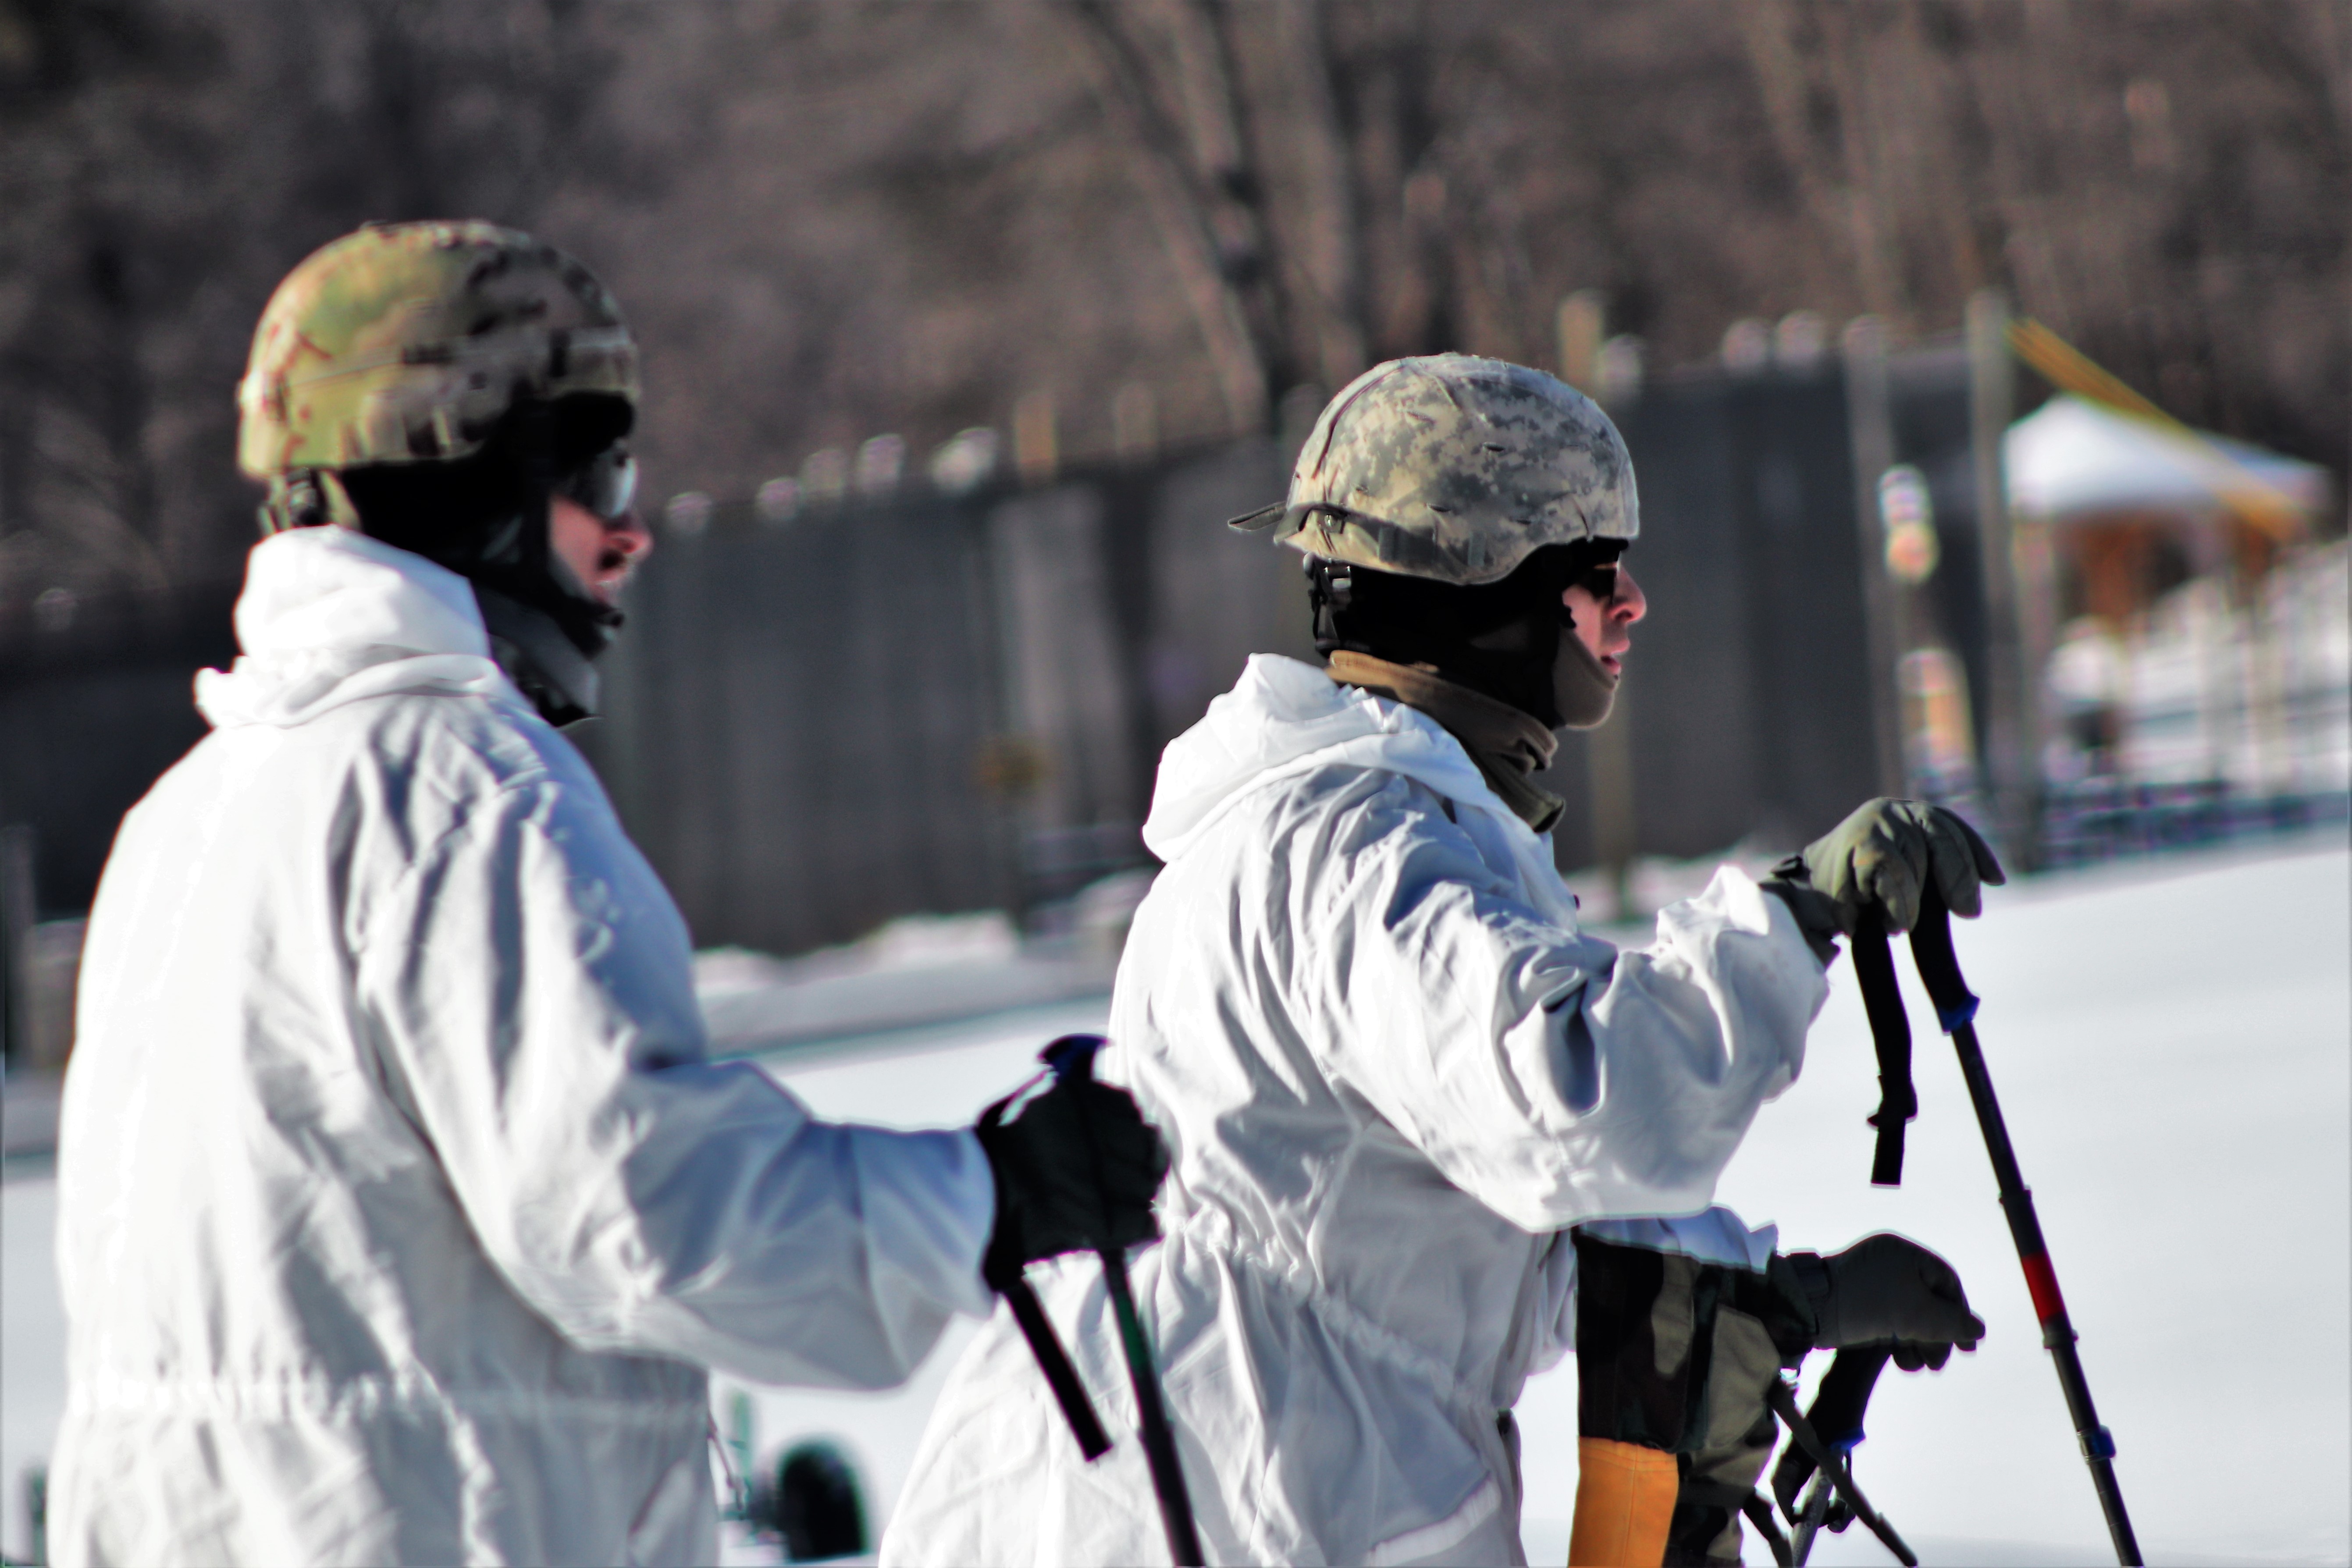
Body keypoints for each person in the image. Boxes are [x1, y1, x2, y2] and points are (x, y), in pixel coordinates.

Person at [45, 220, 1164, 1568]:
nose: (632, 532)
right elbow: (633, 1208)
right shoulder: (459, 790)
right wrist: (990, 1198)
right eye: (598, 467)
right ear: (452, 472)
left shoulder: (184, 820)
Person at [882, 355, 1997, 1567]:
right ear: (1484, 595)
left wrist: (1773, 1295)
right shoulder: (1353, 849)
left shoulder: (1381, 832)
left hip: (1266, 1472)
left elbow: (1441, 1232)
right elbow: (1581, 1103)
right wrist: (1797, 913)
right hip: (1229, 1498)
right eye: (1594, 574)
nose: (1631, 606)